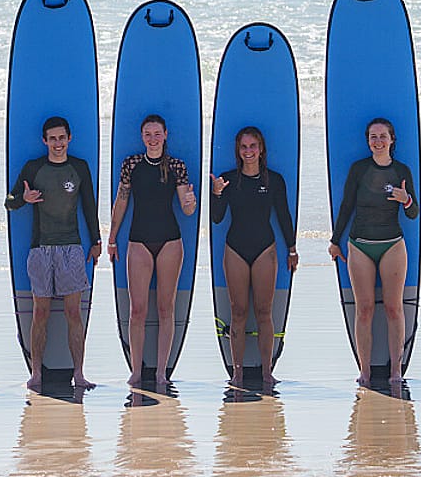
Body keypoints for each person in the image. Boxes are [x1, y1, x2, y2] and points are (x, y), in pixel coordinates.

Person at [5, 116, 102, 390]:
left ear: (69, 139)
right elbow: (9, 202)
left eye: (62, 138)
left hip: (71, 247)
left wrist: (96, 240)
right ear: (44, 141)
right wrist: (23, 199)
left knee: (74, 312)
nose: (57, 143)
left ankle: (79, 374)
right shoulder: (34, 168)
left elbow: (89, 207)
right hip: (40, 248)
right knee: (41, 312)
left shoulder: (79, 168)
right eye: (52, 139)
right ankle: (36, 374)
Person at [328, 118, 420, 388]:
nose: (377, 141)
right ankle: (364, 371)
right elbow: (346, 207)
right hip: (360, 244)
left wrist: (407, 200)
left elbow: (413, 214)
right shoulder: (359, 169)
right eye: (373, 137)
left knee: (393, 308)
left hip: (392, 243)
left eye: (382, 136)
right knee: (365, 309)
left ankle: (396, 370)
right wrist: (335, 241)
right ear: (368, 140)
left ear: (392, 139)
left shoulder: (401, 171)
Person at [107, 114, 197, 388]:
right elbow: (121, 202)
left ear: (166, 135)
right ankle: (136, 371)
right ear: (142, 137)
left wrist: (191, 201)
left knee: (165, 308)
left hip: (170, 240)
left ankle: (160, 372)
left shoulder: (177, 166)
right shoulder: (132, 164)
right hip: (138, 241)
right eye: (148, 134)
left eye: (157, 133)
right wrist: (111, 238)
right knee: (138, 310)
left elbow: (187, 209)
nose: (153, 138)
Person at [210, 126, 297, 387]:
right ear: (238, 150)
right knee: (238, 311)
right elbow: (216, 218)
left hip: (265, 249)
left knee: (263, 311)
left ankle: (266, 372)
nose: (248, 151)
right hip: (235, 248)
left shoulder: (274, 180)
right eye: (244, 147)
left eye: (253, 146)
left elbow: (283, 216)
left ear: (261, 150)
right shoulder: (227, 180)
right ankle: (236, 373)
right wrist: (216, 194)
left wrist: (291, 249)